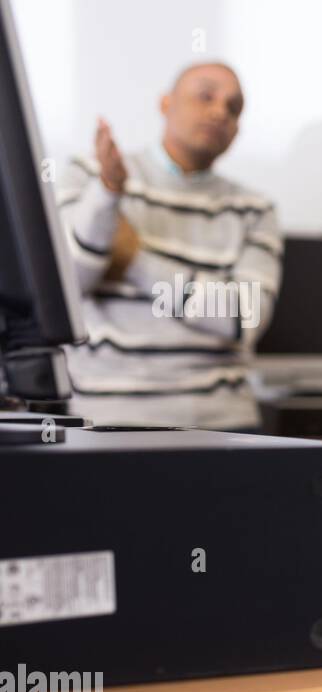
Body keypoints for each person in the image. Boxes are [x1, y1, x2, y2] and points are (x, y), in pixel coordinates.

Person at [56, 62, 281, 429]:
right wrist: (107, 196)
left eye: (233, 107)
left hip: (222, 428)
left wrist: (134, 262)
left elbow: (243, 318)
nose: (219, 111)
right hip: (106, 422)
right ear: (165, 103)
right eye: (205, 96)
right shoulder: (92, 175)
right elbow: (70, 283)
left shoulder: (254, 209)